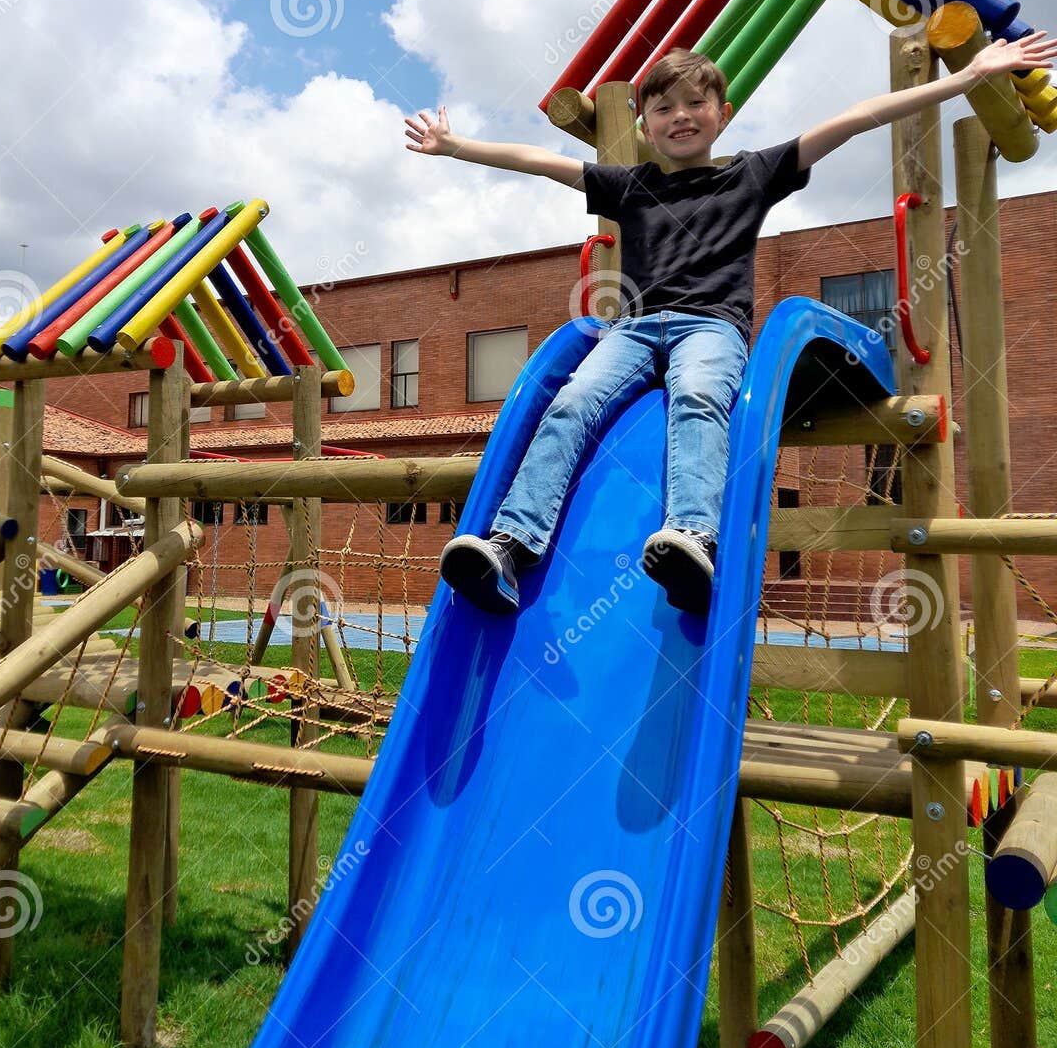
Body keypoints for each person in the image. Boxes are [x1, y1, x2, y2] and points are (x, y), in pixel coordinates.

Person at [404, 31, 1055, 616]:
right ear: (645, 125)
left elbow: (856, 118)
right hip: (634, 329)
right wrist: (455, 146)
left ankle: (692, 537)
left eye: (696, 103)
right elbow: (539, 161)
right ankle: (510, 546)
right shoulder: (630, 186)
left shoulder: (751, 175)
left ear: (723, 113)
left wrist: (968, 77)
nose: (681, 116)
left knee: (698, 396)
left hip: (709, 327)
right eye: (664, 108)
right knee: (571, 402)